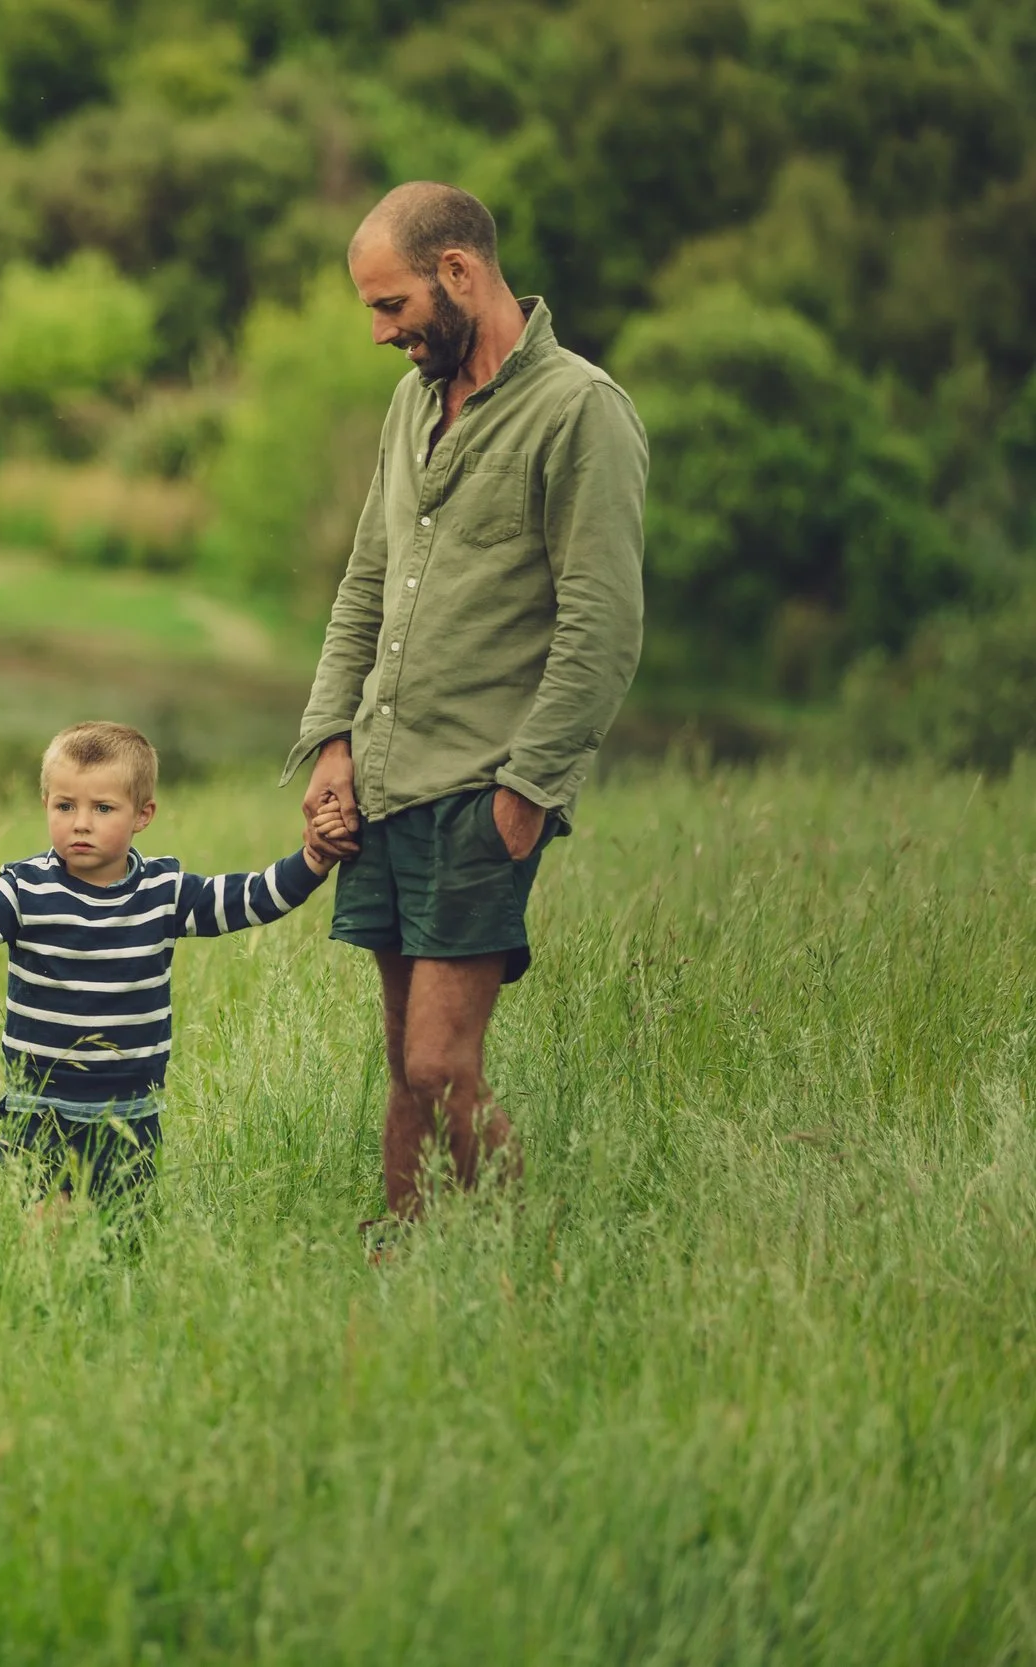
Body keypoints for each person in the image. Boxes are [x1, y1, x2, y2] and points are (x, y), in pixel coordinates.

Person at [287, 182, 648, 1227]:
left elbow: (601, 624)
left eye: (389, 305)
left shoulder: (581, 411)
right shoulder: (412, 402)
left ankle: (523, 1261)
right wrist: (329, 744)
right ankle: (406, 1260)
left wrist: (528, 787)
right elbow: (365, 581)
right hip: (384, 781)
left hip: (481, 788)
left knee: (444, 1060)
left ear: (458, 273)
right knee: (405, 1063)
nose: (378, 331)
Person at [0, 722, 351, 1215]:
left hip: (129, 1113)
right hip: (39, 1106)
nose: (80, 823)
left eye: (102, 808)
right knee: (48, 1233)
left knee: (120, 1237)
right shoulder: (26, 889)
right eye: (65, 806)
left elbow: (249, 898)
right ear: (46, 805)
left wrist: (314, 859)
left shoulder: (164, 893)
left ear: (142, 814)